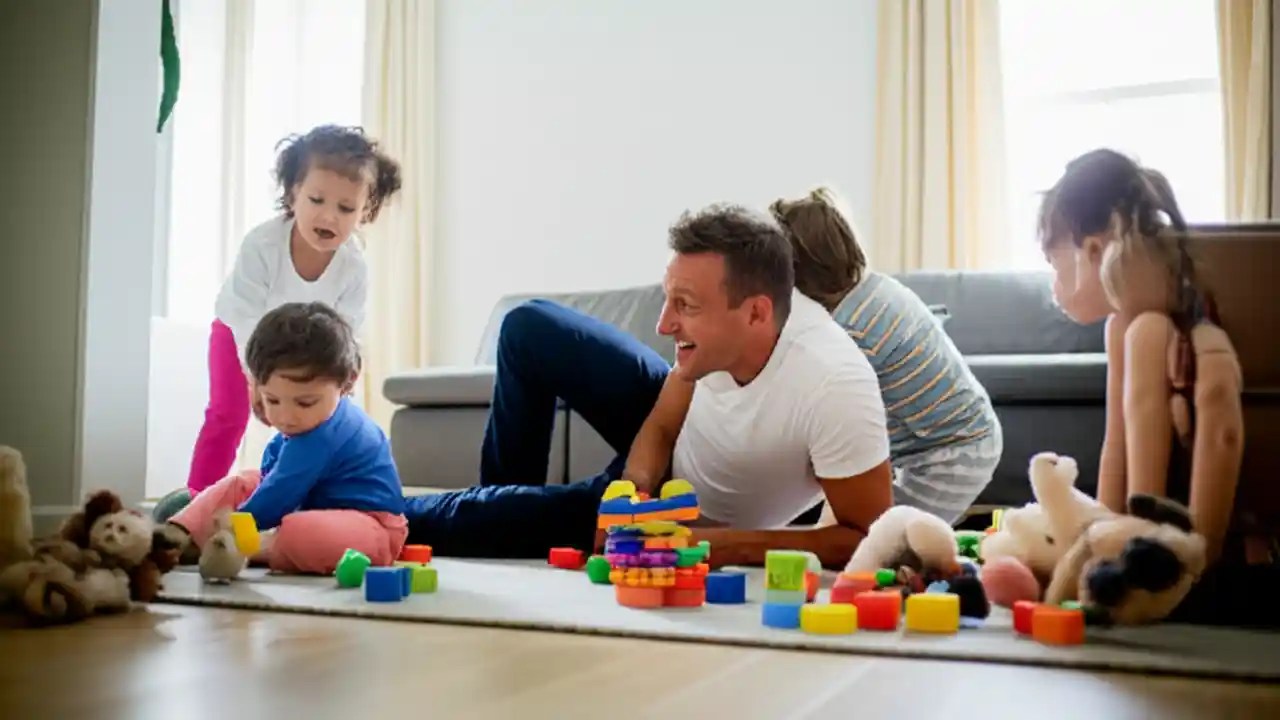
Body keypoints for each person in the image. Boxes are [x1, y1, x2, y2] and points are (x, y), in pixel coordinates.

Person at [404, 203, 893, 569]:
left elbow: (867, 536)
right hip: (663, 458)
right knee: (528, 327)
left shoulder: (834, 384)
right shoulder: (714, 342)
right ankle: (506, 507)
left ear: (756, 313)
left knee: (444, 523)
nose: (662, 325)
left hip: (684, 510)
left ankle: (391, 509)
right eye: (668, 298)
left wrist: (722, 544)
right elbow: (661, 422)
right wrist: (630, 493)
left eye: (685, 305)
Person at [154, 124, 402, 523]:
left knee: (309, 421)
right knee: (227, 415)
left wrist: (337, 385)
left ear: (364, 212)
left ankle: (298, 499)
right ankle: (196, 502)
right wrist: (256, 377)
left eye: (346, 208)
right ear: (292, 195)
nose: (328, 216)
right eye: (316, 199)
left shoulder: (353, 265)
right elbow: (245, 313)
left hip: (305, 351)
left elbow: (346, 333)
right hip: (240, 333)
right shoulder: (264, 244)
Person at [1035, 148, 1243, 567]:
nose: (1055, 287)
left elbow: (1223, 434)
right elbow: (1117, 444)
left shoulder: (1182, 337)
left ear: (1093, 251)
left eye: (1056, 266)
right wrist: (1100, 533)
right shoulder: (1121, 330)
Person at [769, 187, 1001, 526]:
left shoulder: (852, 332)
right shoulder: (870, 288)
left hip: (951, 455)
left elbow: (817, 404)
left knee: (884, 537)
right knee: (852, 525)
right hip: (944, 443)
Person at [161, 302, 408, 574]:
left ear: (347, 383)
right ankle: (177, 534)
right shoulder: (310, 423)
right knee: (240, 482)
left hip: (371, 526)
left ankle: (254, 547)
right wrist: (243, 504)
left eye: (305, 403)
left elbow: (281, 489)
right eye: (273, 400)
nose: (285, 417)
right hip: (309, 502)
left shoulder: (325, 434)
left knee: (300, 532)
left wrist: (241, 522)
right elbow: (273, 475)